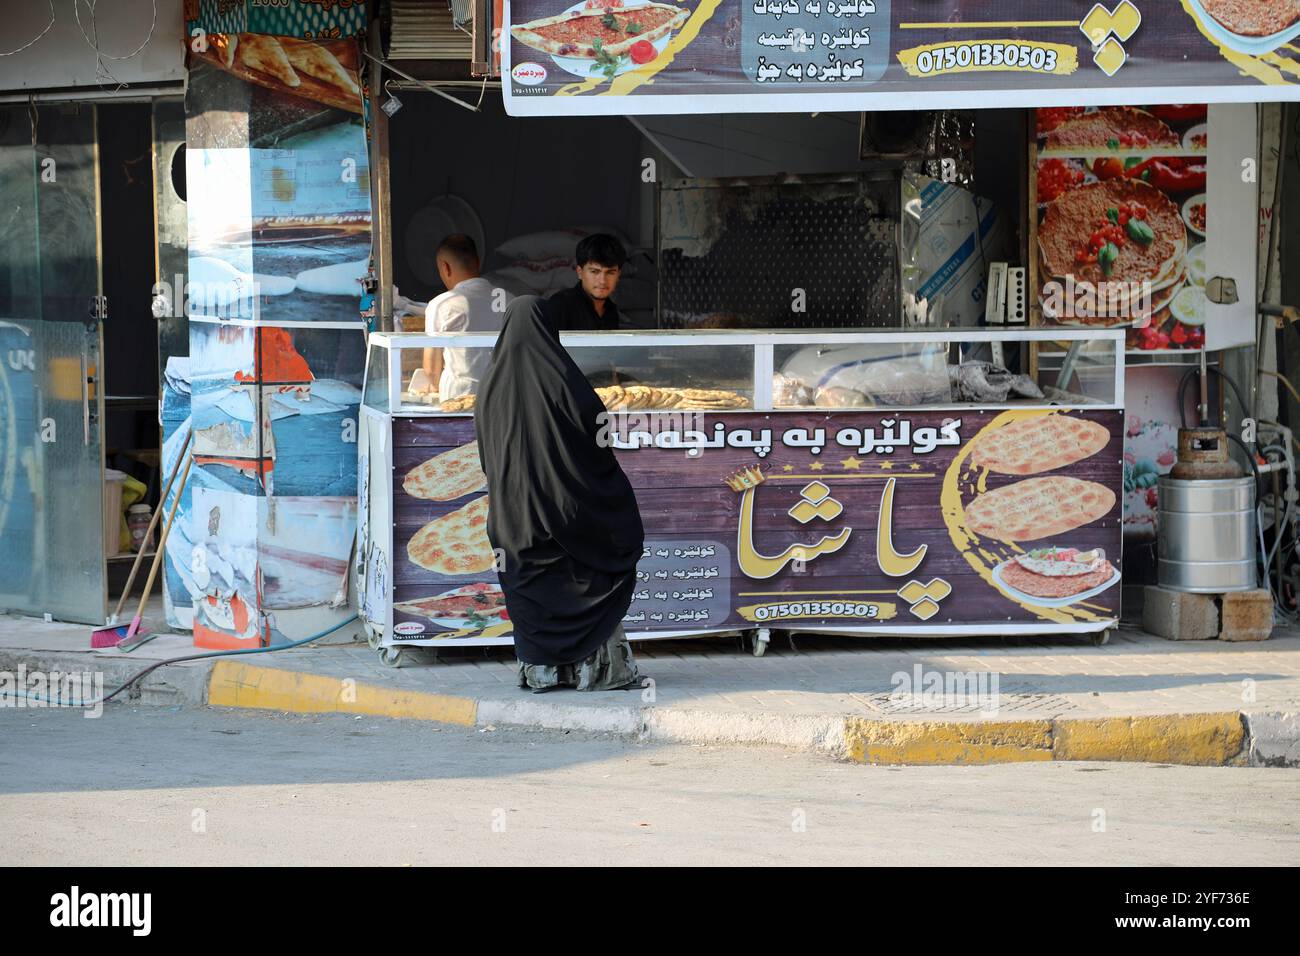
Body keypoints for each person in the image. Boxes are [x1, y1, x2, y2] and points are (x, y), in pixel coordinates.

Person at [474, 295, 645, 692]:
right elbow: (597, 433)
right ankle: (597, 672)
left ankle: (543, 673)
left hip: (514, 520)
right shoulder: (565, 380)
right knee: (591, 570)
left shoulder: (489, 388)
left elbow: (487, 455)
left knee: (533, 589)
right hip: (571, 513)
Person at [417, 234, 511, 399]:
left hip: (459, 400)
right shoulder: (510, 299)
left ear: (445, 268)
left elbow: (431, 371)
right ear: (478, 262)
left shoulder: (440, 305)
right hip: (503, 399)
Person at [546, 233, 626, 332]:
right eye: (594, 272)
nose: (602, 281)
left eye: (610, 272)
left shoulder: (611, 311)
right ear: (580, 272)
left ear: (618, 275)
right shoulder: (560, 305)